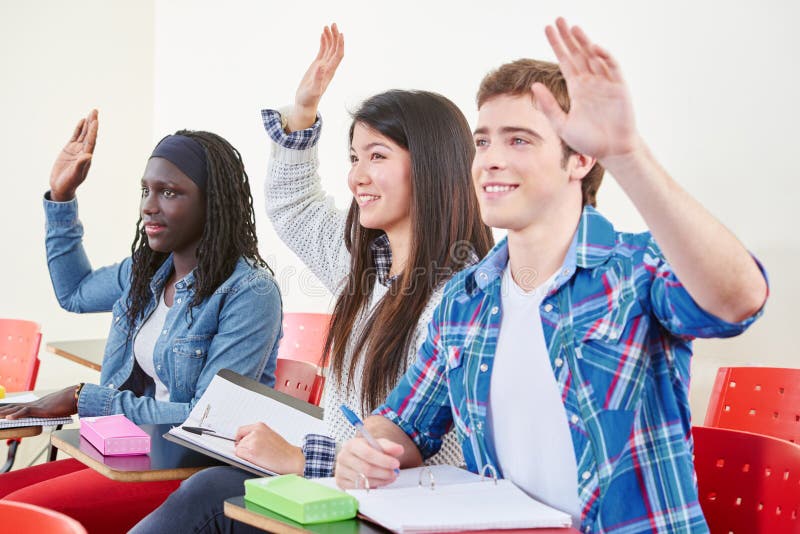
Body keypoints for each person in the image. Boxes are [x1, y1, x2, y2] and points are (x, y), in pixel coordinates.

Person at [335, 18, 769, 533]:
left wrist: (627, 153)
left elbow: (739, 299)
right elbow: (405, 424)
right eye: (483, 141)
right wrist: (366, 448)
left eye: (518, 141)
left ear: (580, 157)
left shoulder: (635, 270)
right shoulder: (464, 301)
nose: (491, 160)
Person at [132, 24, 494, 533]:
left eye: (377, 156)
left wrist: (302, 460)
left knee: (208, 495)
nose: (356, 176)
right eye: (353, 157)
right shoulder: (365, 268)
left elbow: (439, 464)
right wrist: (301, 113)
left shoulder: (459, 299)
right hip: (336, 495)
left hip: (382, 514)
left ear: (432, 167)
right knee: (208, 484)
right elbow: (294, 204)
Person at [0, 110, 283, 533]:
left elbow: (202, 422)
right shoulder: (146, 272)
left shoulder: (250, 292)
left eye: (169, 192)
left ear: (212, 202)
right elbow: (74, 291)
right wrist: (62, 198)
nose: (149, 206)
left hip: (184, 470)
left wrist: (84, 398)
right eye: (145, 190)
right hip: (125, 456)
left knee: (17, 517)